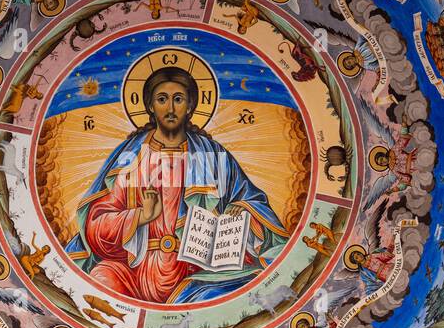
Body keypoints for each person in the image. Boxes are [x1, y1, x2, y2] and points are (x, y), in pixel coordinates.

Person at [68, 65, 286, 303]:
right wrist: (140, 216)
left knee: (223, 295)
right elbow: (95, 226)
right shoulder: (132, 157)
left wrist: (243, 210)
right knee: (99, 285)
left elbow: (254, 204)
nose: (170, 108)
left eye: (178, 99)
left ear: (190, 105)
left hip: (197, 273)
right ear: (150, 106)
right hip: (132, 270)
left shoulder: (211, 155)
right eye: (162, 99)